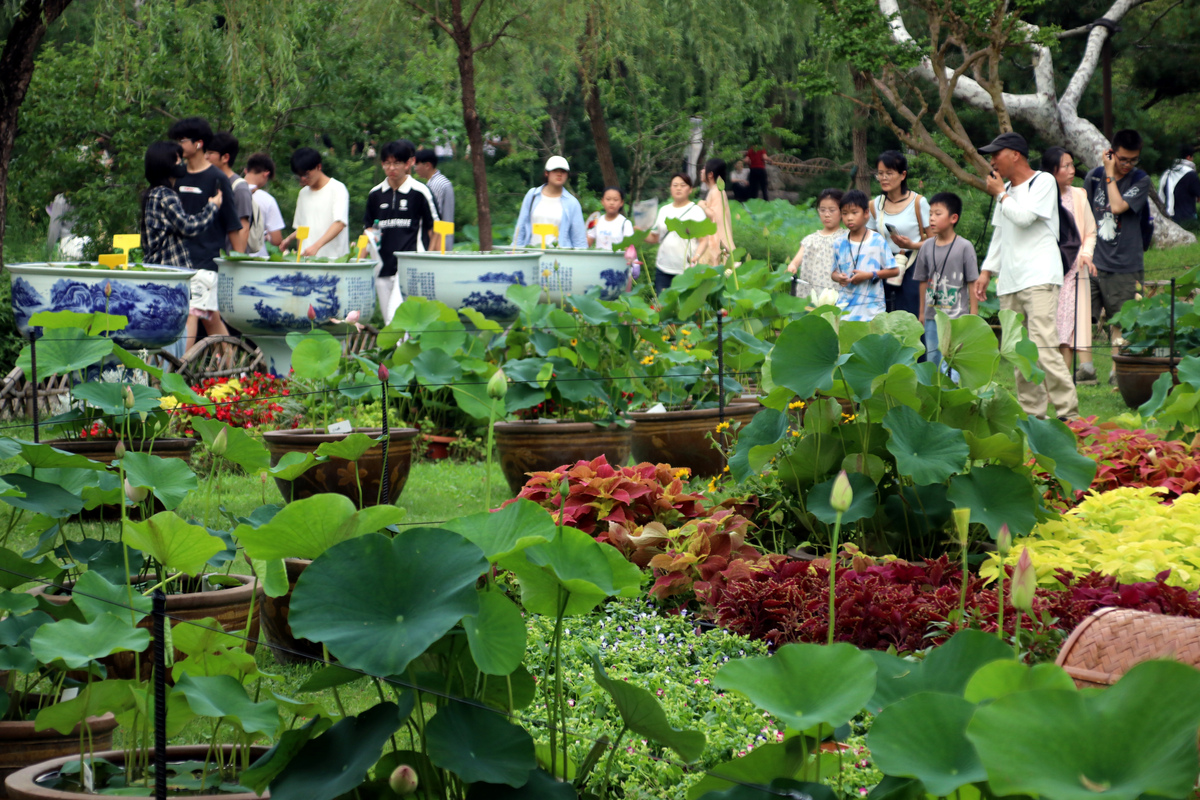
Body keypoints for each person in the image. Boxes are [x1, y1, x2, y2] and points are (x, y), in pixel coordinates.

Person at [973, 131, 1079, 420]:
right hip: (1010, 282)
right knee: (1019, 352)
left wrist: (1001, 194)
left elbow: (1024, 217)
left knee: (1044, 347)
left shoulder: (1042, 181)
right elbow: (1000, 234)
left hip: (1040, 277)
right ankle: (1033, 416)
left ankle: (1069, 414)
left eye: (996, 154)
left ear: (1015, 155)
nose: (992, 161)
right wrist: (986, 272)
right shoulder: (1006, 190)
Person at [1083, 129, 1152, 384]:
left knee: (1121, 320)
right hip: (1094, 259)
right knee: (1083, 317)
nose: (1127, 165)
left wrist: (1110, 174)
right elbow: (1084, 213)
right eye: (1123, 159)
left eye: (1133, 160)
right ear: (1112, 153)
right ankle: (1085, 369)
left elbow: (1117, 206)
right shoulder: (1093, 177)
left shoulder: (1140, 179)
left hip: (1125, 263)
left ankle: (1117, 372)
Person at [167, 116, 240, 348]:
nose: (178, 145)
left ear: (198, 143)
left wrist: (239, 263)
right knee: (210, 319)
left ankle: (181, 365)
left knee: (191, 312)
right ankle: (232, 364)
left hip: (205, 261)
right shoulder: (176, 176)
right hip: (178, 260)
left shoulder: (217, 178)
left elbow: (232, 224)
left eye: (182, 140)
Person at [364, 139, 441, 320]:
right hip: (382, 266)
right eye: (387, 163)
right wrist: (359, 260)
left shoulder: (420, 192)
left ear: (408, 164)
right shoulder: (375, 194)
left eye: (397, 163)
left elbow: (435, 229)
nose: (391, 168)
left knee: (398, 318)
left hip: (411, 266)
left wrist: (429, 259)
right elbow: (369, 230)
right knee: (389, 321)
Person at [1041, 146, 1099, 383]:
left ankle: (1062, 382)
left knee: (1068, 329)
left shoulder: (1079, 195)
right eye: (1065, 166)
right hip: (1047, 270)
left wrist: (1086, 254)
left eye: (1072, 165)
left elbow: (1090, 232)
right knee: (1049, 327)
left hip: (1074, 270)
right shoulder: (1040, 196)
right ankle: (1050, 380)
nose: (1072, 170)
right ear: (1051, 171)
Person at [912, 192, 978, 378]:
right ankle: (935, 393)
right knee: (933, 357)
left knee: (953, 360)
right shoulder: (926, 246)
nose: (932, 218)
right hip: (931, 316)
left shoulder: (964, 247)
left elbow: (972, 282)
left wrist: (973, 316)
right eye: (930, 214)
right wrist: (921, 313)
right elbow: (922, 281)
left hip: (956, 317)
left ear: (953, 218)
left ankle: (954, 392)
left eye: (938, 214)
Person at [140, 140, 223, 268]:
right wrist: (212, 207)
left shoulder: (153, 193)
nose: (182, 162)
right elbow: (188, 226)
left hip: (157, 267)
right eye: (177, 159)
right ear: (166, 164)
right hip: (169, 270)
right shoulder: (165, 194)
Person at [867, 150, 930, 318]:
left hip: (913, 265)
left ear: (903, 175)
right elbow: (869, 239)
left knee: (910, 314)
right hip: (885, 265)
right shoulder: (875, 205)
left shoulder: (918, 202)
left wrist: (911, 245)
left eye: (889, 173)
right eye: (880, 174)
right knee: (884, 315)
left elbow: (935, 241)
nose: (884, 178)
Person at [831, 190, 897, 321]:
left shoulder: (877, 240)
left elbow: (893, 270)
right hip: (845, 310)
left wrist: (869, 275)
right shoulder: (838, 243)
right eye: (845, 213)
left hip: (872, 310)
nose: (849, 218)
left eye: (854, 212)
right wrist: (839, 278)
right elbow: (833, 273)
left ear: (866, 213)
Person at [643, 173, 706, 294]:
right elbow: (655, 238)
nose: (678, 188)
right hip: (663, 268)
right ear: (670, 189)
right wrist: (639, 233)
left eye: (683, 185)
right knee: (663, 303)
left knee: (684, 304)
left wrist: (696, 257)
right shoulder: (664, 210)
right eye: (675, 185)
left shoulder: (696, 211)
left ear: (690, 189)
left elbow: (703, 240)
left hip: (686, 270)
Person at [282, 147, 350, 258]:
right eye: (299, 175)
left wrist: (316, 246)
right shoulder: (303, 194)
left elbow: (339, 224)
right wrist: (297, 254)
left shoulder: (337, 189)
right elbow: (302, 228)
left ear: (319, 167)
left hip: (333, 261)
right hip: (308, 261)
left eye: (306, 174)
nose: (303, 179)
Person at [512, 156, 588, 248]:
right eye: (555, 170)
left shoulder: (572, 203)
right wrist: (515, 250)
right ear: (546, 173)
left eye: (563, 171)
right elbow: (520, 228)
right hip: (533, 253)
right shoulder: (532, 195)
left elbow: (579, 239)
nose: (559, 174)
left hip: (559, 255)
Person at [786, 188, 844, 298]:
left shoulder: (846, 238)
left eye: (832, 210)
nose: (827, 214)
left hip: (836, 293)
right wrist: (792, 267)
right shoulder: (810, 239)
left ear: (842, 211)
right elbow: (795, 262)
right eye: (823, 210)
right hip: (810, 293)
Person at [204, 132, 253, 254]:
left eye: (210, 153)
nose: (206, 157)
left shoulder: (239, 188)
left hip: (228, 258)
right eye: (205, 152)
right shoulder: (209, 181)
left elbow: (244, 227)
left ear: (225, 157)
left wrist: (237, 258)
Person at [695, 158, 736, 266]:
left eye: (704, 168)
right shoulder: (714, 191)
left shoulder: (718, 191)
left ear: (710, 174)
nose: (701, 171)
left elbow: (715, 216)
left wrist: (702, 206)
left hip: (717, 245)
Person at [243, 153, 285, 257]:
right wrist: (266, 236)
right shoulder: (267, 200)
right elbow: (277, 240)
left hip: (231, 255)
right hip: (258, 259)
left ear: (246, 171)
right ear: (266, 174)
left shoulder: (230, 190)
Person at [415, 148, 455, 248]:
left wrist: (434, 247)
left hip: (441, 240)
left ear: (427, 165)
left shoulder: (436, 185)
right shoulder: (441, 181)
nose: (415, 169)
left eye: (417, 164)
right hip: (445, 237)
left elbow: (435, 217)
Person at [1159, 144, 1200, 228]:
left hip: (1167, 217)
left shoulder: (1167, 173)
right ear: (1188, 157)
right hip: (1187, 219)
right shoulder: (1190, 174)